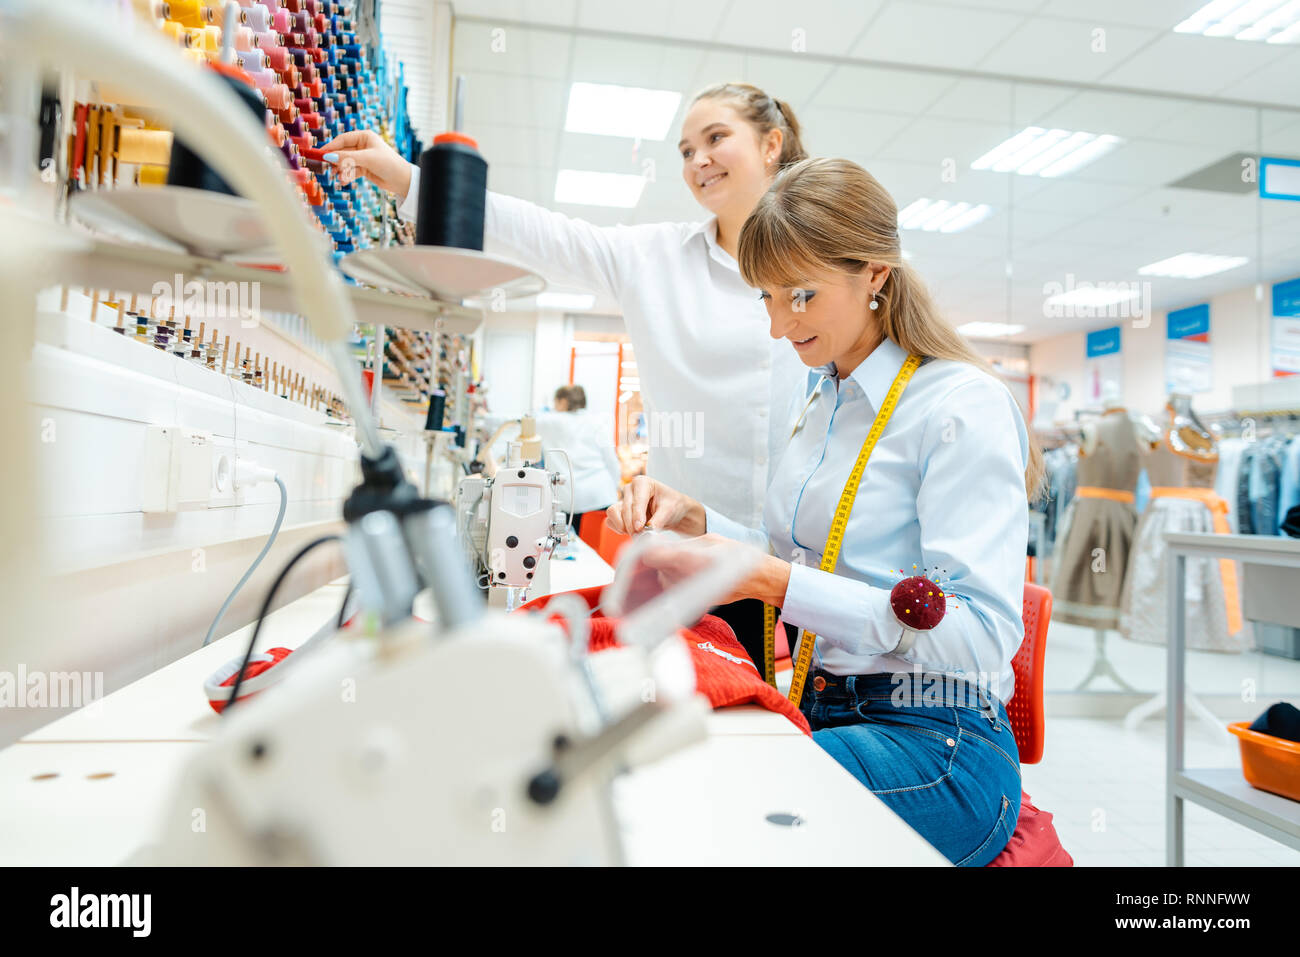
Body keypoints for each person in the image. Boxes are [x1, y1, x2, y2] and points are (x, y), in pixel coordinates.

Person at [606, 157, 1046, 867]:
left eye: (800, 296)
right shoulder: (825, 400)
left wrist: (776, 586)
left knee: (718, 820)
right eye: (767, 298)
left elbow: (984, 635)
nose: (780, 326)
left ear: (875, 272)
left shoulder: (958, 406)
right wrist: (702, 522)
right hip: (825, 704)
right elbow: (802, 555)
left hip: (939, 740)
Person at [319, 83, 809, 665]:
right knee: (688, 708)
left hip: (789, 560)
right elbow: (547, 235)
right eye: (684, 150)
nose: (697, 160)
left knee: (781, 723)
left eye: (715, 138)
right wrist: (410, 179)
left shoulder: (818, 267)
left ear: (772, 144)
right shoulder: (655, 258)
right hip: (685, 556)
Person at [539, 384, 621, 534]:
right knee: (597, 549)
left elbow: (516, 422)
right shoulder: (597, 422)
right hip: (601, 496)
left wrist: (483, 417)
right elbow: (612, 461)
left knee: (570, 549)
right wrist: (614, 487)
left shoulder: (550, 421)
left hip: (570, 501)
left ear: (563, 402)